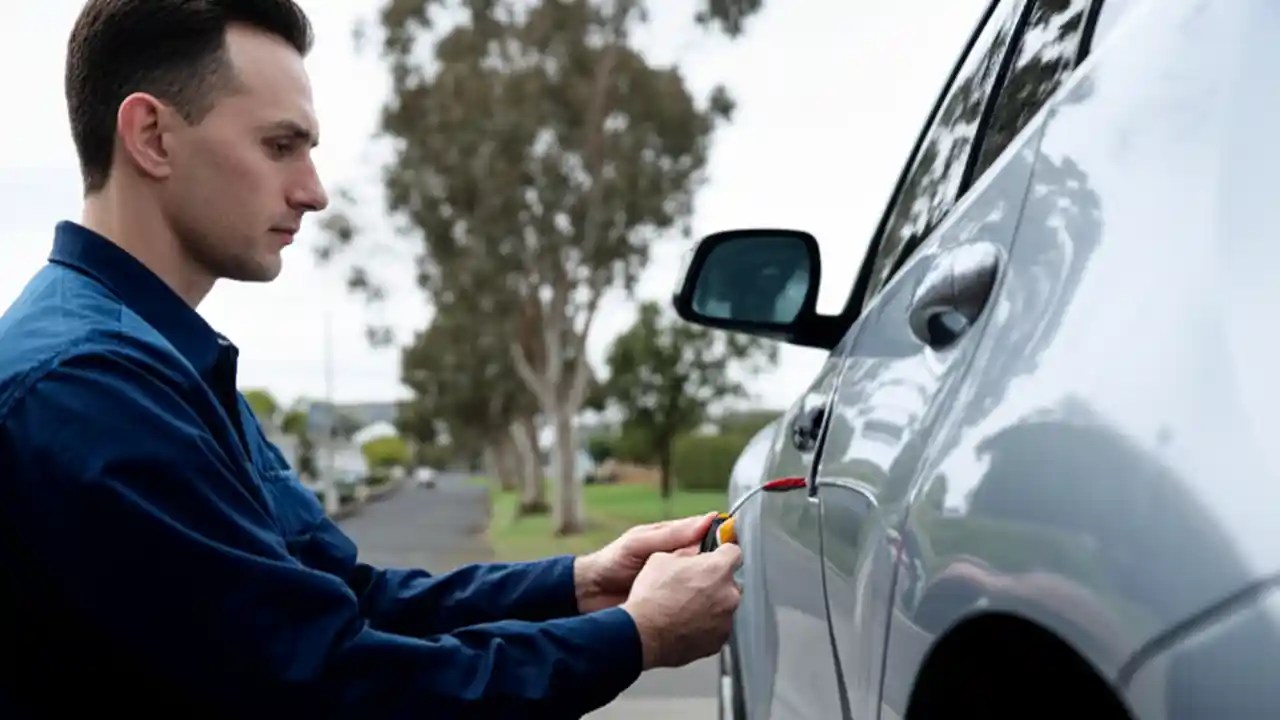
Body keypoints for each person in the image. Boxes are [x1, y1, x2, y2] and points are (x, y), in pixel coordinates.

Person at [0, 1, 742, 717]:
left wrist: (579, 585)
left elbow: (346, 597)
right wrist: (633, 637)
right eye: (279, 146)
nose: (313, 192)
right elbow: (326, 685)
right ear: (152, 136)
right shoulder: (87, 388)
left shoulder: (162, 365)